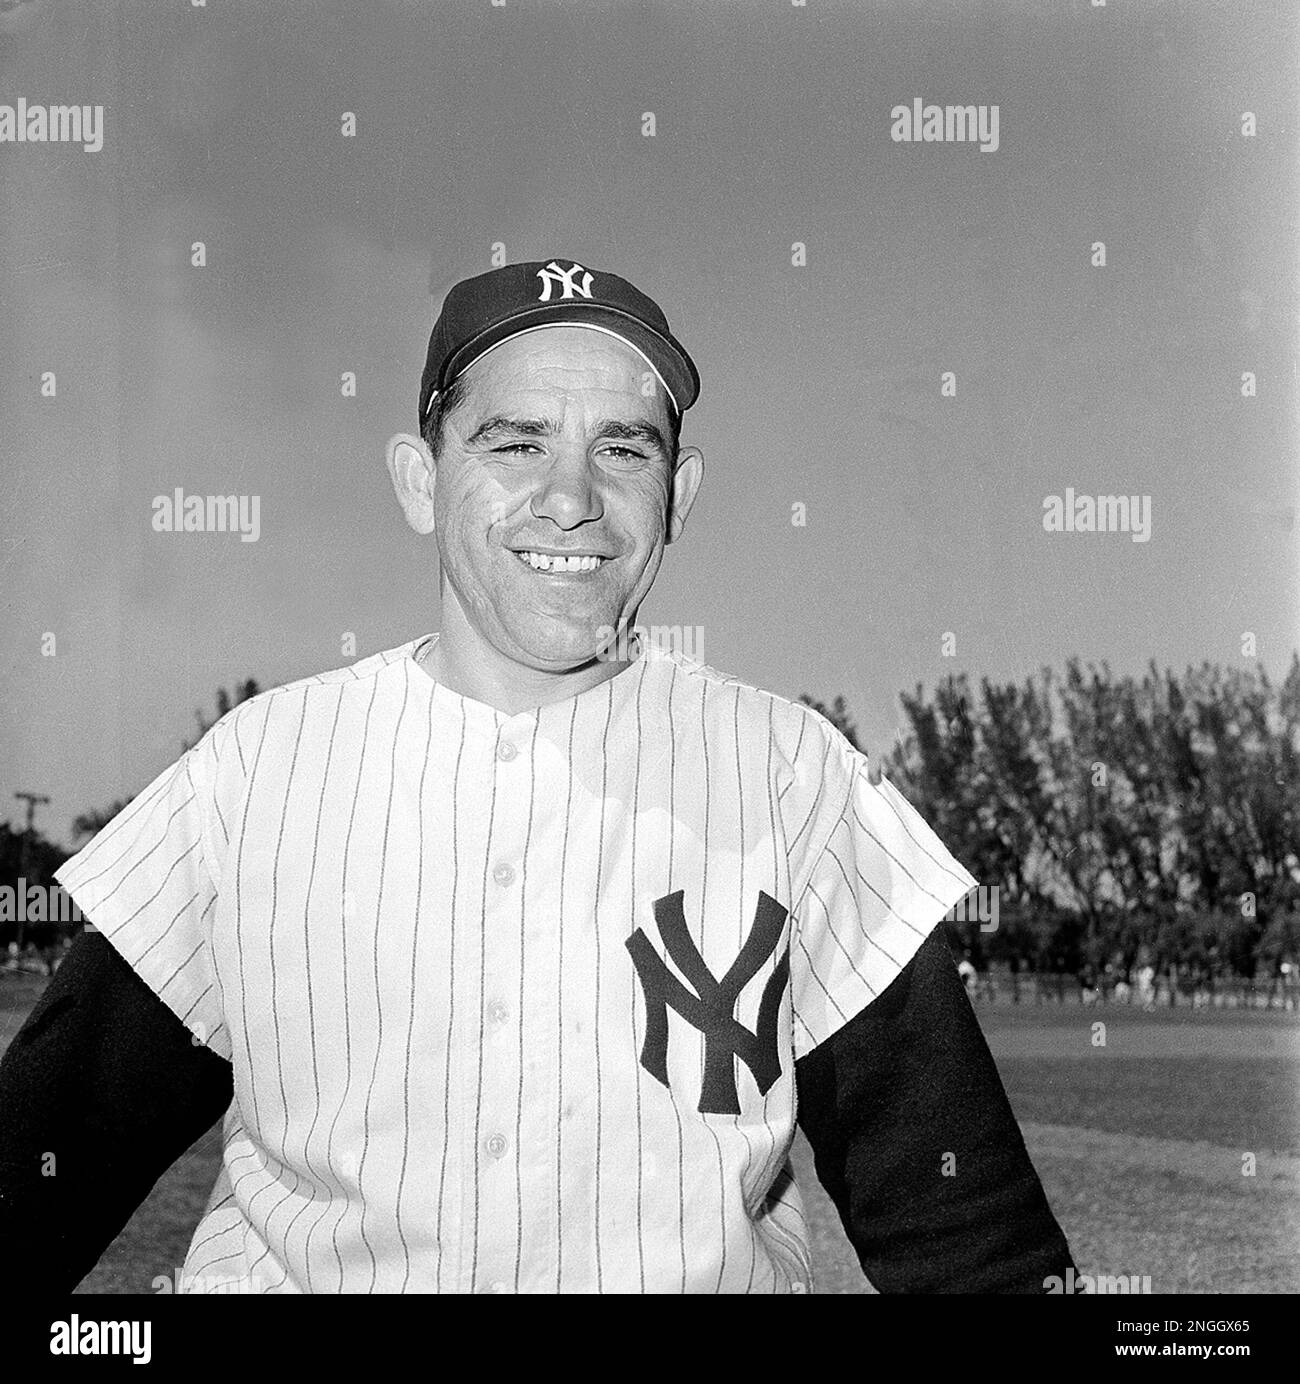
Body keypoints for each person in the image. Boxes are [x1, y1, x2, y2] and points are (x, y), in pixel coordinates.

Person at [0, 259, 1073, 1294]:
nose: (571, 498)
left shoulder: (797, 782)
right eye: (515, 443)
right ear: (420, 481)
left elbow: (967, 1238)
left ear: (680, 493)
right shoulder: (255, 771)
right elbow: (36, 1175)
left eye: (623, 450)